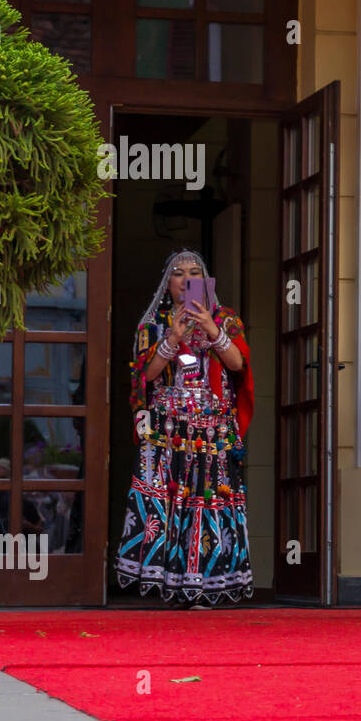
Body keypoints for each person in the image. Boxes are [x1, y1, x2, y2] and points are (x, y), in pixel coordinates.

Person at [114, 250, 254, 607]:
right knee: (167, 501)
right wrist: (172, 338)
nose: (185, 279)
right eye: (178, 274)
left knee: (209, 501)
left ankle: (212, 582)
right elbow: (144, 376)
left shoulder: (225, 319)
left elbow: (238, 364)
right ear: (168, 283)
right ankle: (166, 583)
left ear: (206, 282)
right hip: (168, 432)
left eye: (194, 273)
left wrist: (211, 330)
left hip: (212, 432)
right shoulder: (153, 325)